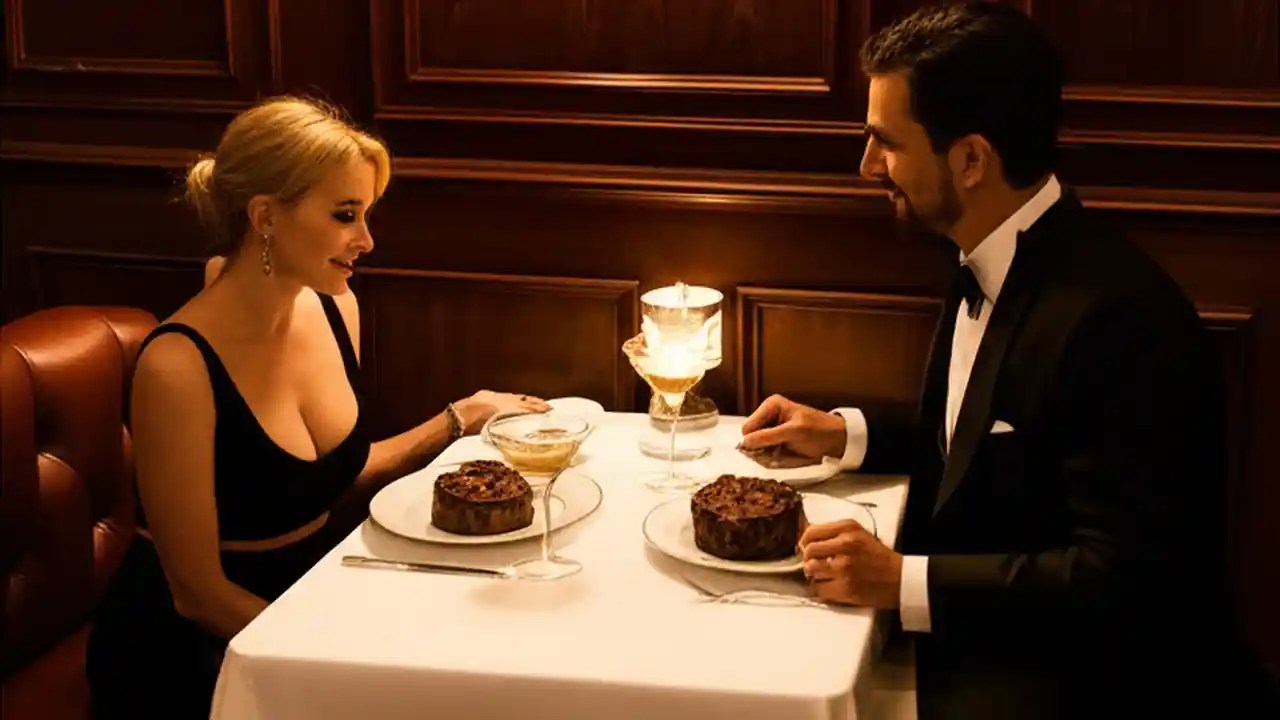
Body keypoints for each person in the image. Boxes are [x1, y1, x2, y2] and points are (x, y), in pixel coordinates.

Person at [739, 4, 1273, 718]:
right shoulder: (992, 253)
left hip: (1092, 684)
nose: (866, 166)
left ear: (970, 159)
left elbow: (1125, 581)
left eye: (885, 143)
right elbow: (1000, 444)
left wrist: (903, 581)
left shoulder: (1117, 317)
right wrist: (847, 434)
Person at [85, 96, 549, 718]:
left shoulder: (334, 306)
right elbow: (196, 594)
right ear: (266, 216)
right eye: (344, 215)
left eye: (366, 214)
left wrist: (458, 418)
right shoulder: (177, 366)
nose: (366, 239)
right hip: (199, 651)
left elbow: (326, 474)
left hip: (317, 591)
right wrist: (337, 654)